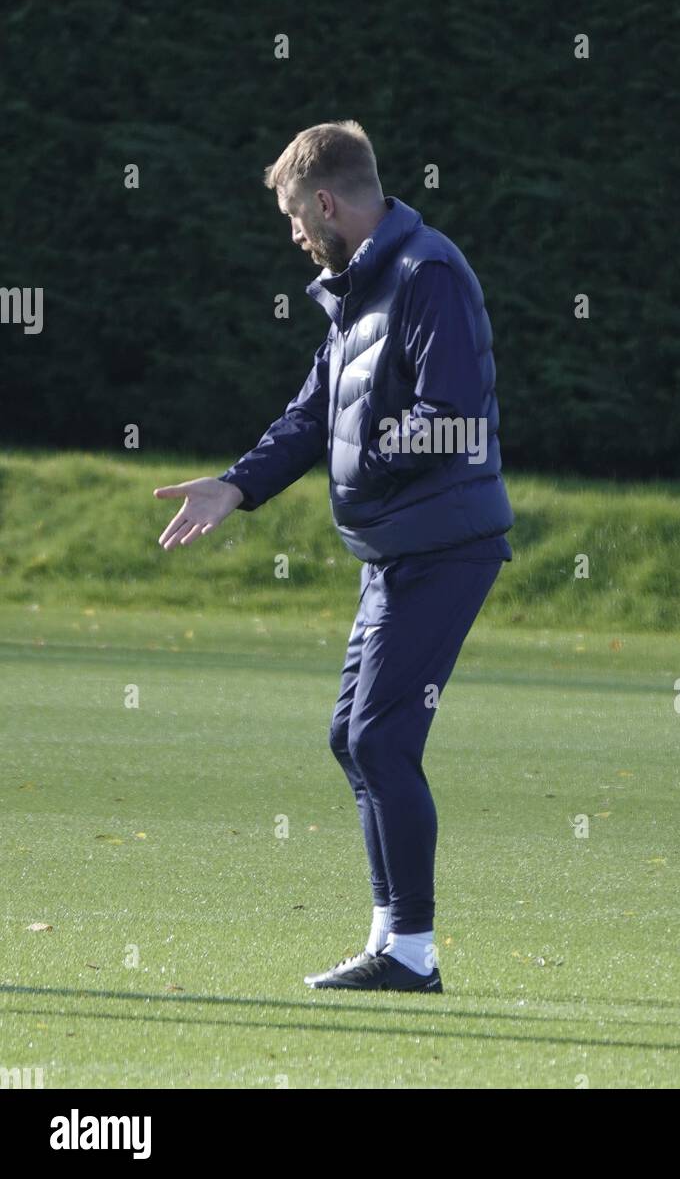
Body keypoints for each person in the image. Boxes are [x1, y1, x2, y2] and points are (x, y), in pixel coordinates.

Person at [153, 120, 513, 993]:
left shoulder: (427, 274)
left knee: (382, 741)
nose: (293, 237)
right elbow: (313, 413)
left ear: (324, 201)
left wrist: (376, 459)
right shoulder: (357, 289)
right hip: (396, 550)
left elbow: (454, 413)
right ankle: (393, 942)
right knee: (354, 741)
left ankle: (411, 956)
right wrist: (235, 487)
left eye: (291, 216)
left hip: (442, 547)